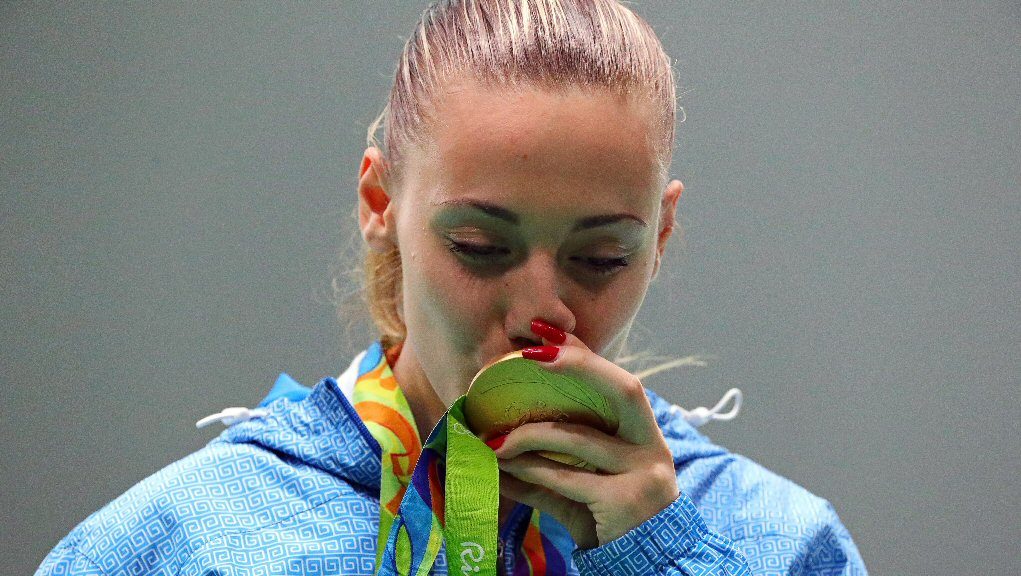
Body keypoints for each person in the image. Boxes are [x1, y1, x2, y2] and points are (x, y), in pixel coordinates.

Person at [36, 1, 867, 575]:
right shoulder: (189, 541)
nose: (542, 309)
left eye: (600, 259)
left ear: (661, 235)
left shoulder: (778, 544)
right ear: (378, 206)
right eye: (478, 246)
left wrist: (663, 557)